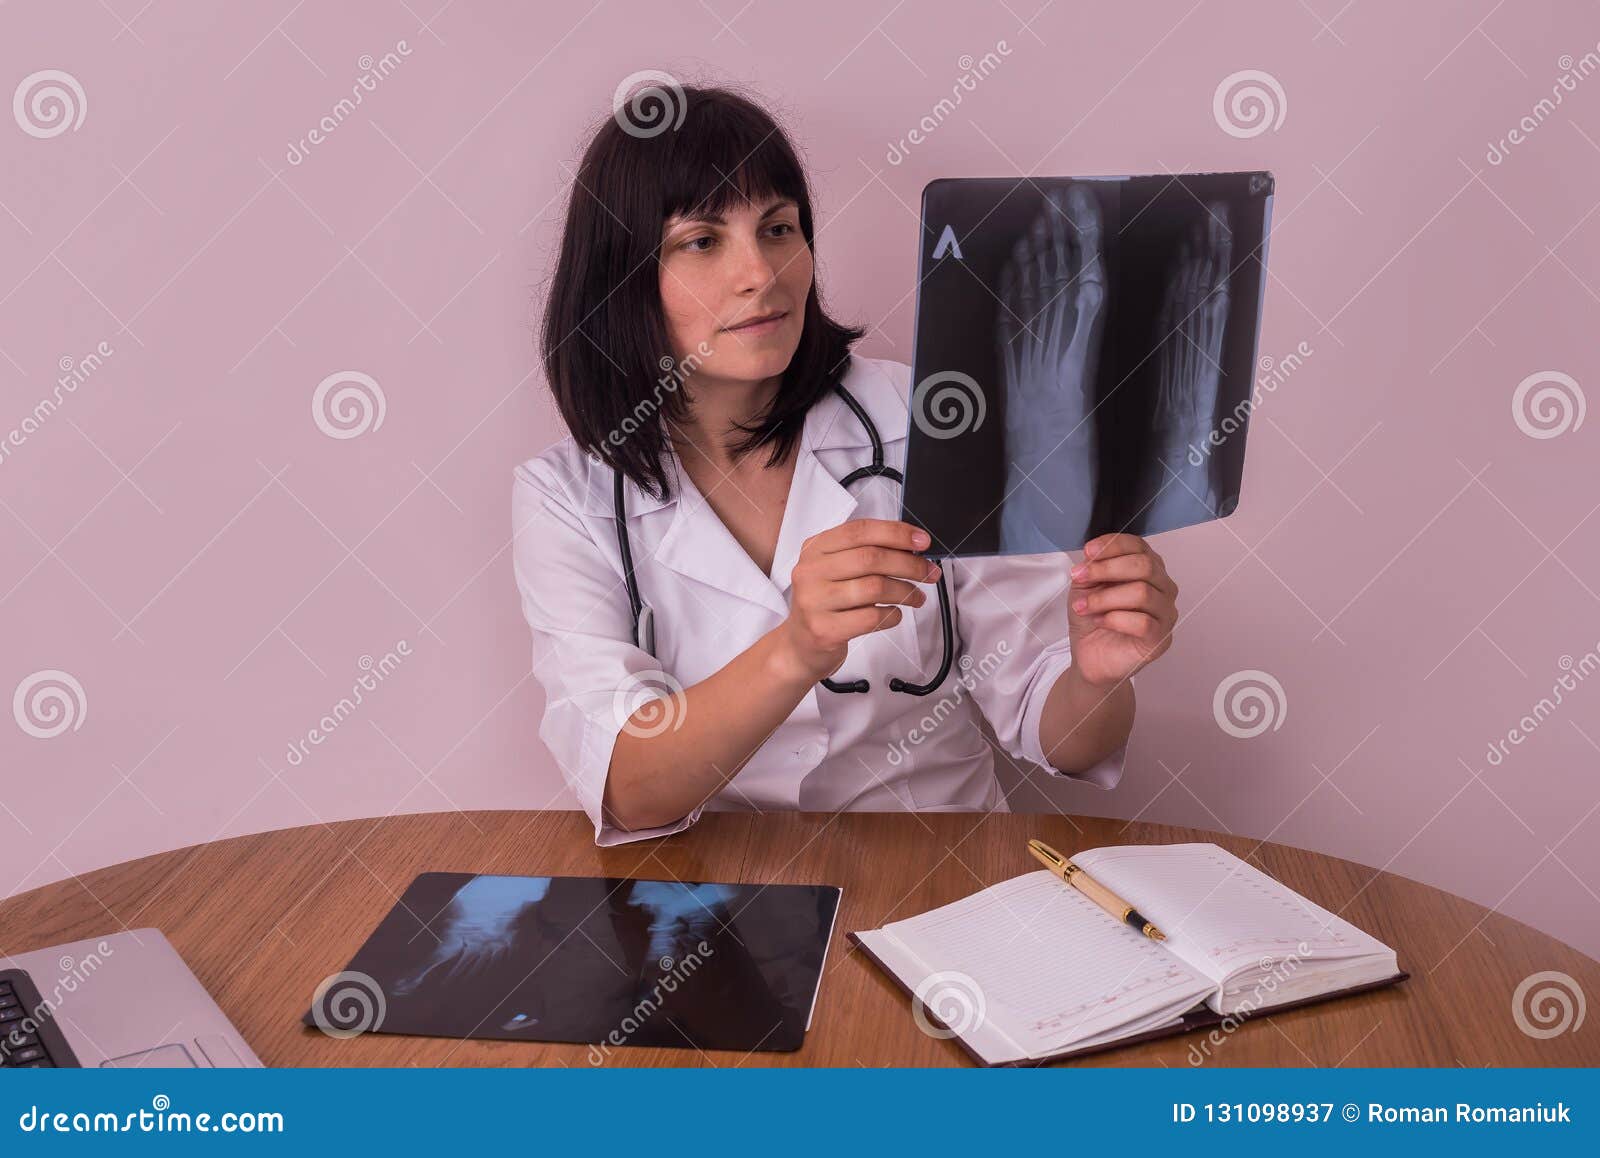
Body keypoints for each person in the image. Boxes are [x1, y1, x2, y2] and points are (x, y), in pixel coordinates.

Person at [512, 83, 1180, 845]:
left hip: (936, 880)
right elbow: (630, 792)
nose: (761, 274)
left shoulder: (936, 419)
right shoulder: (565, 496)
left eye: (778, 228)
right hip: (714, 897)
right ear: (621, 279)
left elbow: (1054, 727)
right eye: (702, 241)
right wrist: (795, 650)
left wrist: (1097, 676)